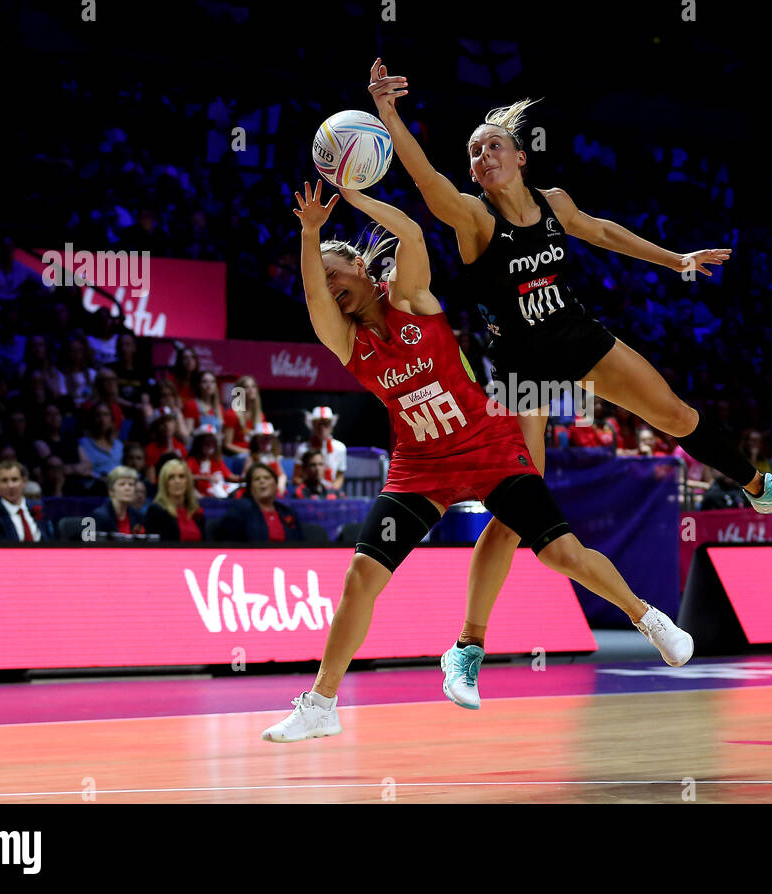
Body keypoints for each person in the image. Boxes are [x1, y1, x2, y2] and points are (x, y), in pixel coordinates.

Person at [366, 58, 772, 664]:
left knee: (676, 413)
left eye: (493, 147)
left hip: (578, 338)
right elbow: (427, 181)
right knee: (513, 511)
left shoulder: (554, 202)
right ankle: (468, 645)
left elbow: (603, 233)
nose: (482, 158)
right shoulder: (474, 218)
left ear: (521, 156)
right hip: (520, 374)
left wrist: (676, 260)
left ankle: (760, 486)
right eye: (474, 153)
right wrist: (389, 115)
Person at [261, 182, 693, 744]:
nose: (327, 285)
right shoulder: (345, 340)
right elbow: (316, 299)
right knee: (361, 577)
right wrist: (311, 232)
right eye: (319, 278)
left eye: (334, 273)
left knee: (562, 552)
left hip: (489, 446)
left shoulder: (410, 298)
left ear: (364, 271)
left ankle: (646, 617)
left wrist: (352, 194)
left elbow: (412, 232)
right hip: (420, 467)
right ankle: (320, 703)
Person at [216, 461, 305, 542]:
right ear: (250, 487)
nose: (262, 481)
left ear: (275, 484)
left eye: (266, 478)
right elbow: (229, 543)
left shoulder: (288, 512)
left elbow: (300, 543)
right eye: (257, 479)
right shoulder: (239, 510)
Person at [0, 460, 53, 541]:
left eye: (14, 479)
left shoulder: (39, 507)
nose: (10, 485)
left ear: (24, 482)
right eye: (4, 480)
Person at [144, 458, 206, 542]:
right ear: (164, 482)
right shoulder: (156, 511)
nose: (177, 481)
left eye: (181, 476)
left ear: (187, 481)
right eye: (171, 477)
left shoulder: (196, 511)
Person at [292, 406, 346, 492]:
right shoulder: (303, 449)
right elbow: (296, 478)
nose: (322, 428)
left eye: (326, 423)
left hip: (331, 493)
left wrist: (331, 492)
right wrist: (308, 490)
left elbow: (340, 477)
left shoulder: (340, 448)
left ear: (331, 425)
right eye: (318, 424)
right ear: (312, 425)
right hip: (309, 492)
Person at [89, 465, 148, 538]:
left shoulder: (138, 516)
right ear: (111, 491)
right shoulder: (99, 517)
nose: (128, 488)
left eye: (131, 484)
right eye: (122, 484)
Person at [186, 425, 239, 497]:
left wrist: (246, 477)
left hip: (220, 493)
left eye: (212, 442)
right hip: (201, 496)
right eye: (206, 443)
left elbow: (231, 477)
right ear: (199, 444)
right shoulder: (192, 460)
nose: (210, 446)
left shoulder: (217, 460)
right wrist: (207, 478)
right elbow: (186, 476)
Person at [76, 402, 124, 481]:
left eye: (106, 415)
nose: (102, 420)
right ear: (91, 419)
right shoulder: (83, 443)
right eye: (98, 415)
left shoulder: (118, 445)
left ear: (111, 419)